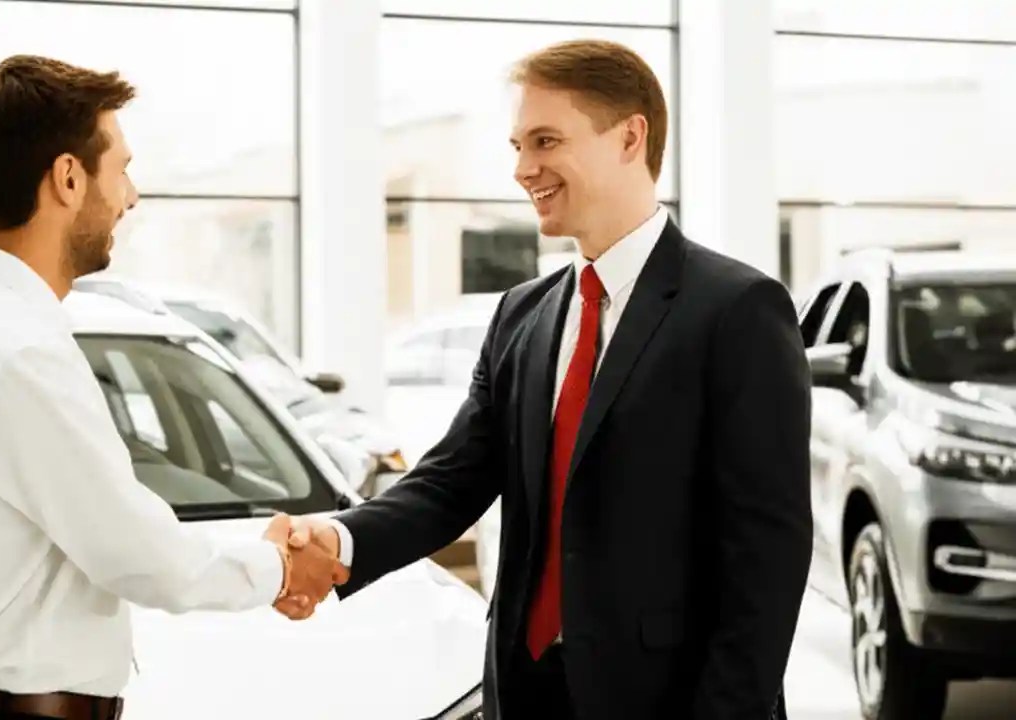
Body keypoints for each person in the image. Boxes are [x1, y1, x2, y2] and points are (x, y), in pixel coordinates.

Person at [289, 39, 812, 719]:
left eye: (544, 141)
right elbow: (452, 481)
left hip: (670, 701)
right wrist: (338, 540)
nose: (522, 169)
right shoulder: (523, 314)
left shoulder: (738, 310)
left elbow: (766, 558)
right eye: (515, 146)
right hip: (527, 689)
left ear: (630, 137)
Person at [0, 55, 344, 720]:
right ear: (69, 178)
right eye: (121, 167)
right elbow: (135, 552)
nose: (130, 195)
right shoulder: (17, 349)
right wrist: (278, 568)